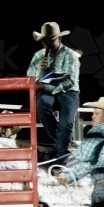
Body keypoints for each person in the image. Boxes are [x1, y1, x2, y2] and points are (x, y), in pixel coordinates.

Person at [26, 22, 80, 165]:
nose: (47, 43)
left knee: (65, 123)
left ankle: (61, 162)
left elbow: (70, 81)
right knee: (42, 104)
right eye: (45, 41)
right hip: (47, 91)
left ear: (59, 39)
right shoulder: (38, 55)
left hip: (68, 92)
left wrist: (46, 87)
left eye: (51, 40)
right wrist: (40, 71)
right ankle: (64, 140)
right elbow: (30, 77)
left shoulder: (69, 55)